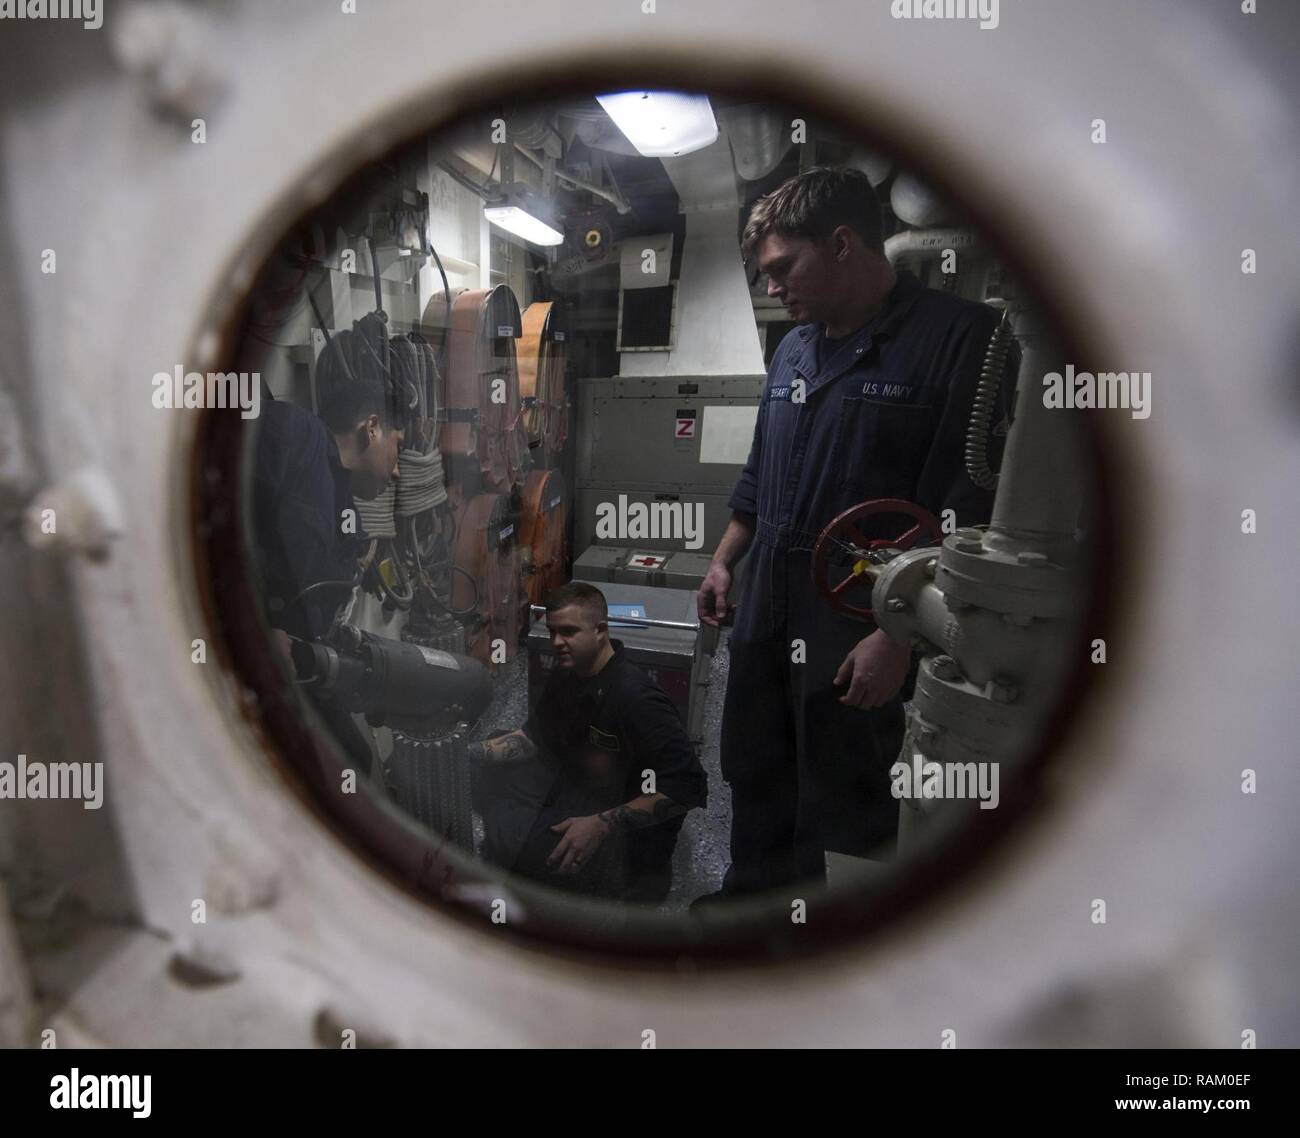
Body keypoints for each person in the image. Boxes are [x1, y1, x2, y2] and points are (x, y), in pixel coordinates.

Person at [695, 166, 1013, 900]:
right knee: (755, 763)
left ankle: (827, 938)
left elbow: (969, 514)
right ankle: (749, 907)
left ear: (842, 243)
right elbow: (759, 471)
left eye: (783, 268)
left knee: (845, 787)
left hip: (863, 610)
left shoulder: (963, 339)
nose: (771, 287)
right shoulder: (792, 349)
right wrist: (723, 561)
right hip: (769, 600)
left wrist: (898, 637)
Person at [469, 582, 708, 904]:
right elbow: (535, 737)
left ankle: (633, 878)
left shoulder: (636, 697)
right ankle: (527, 827)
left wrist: (600, 825)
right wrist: (469, 754)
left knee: (516, 836)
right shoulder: (569, 672)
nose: (557, 642)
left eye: (569, 632)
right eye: (553, 632)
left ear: (601, 630)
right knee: (485, 756)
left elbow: (688, 786)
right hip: (583, 784)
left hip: (623, 826)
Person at [252, 313, 407, 775]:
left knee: (354, 760)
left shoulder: (342, 500)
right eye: (398, 447)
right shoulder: (292, 434)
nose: (398, 470)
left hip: (298, 667)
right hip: (255, 657)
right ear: (372, 428)